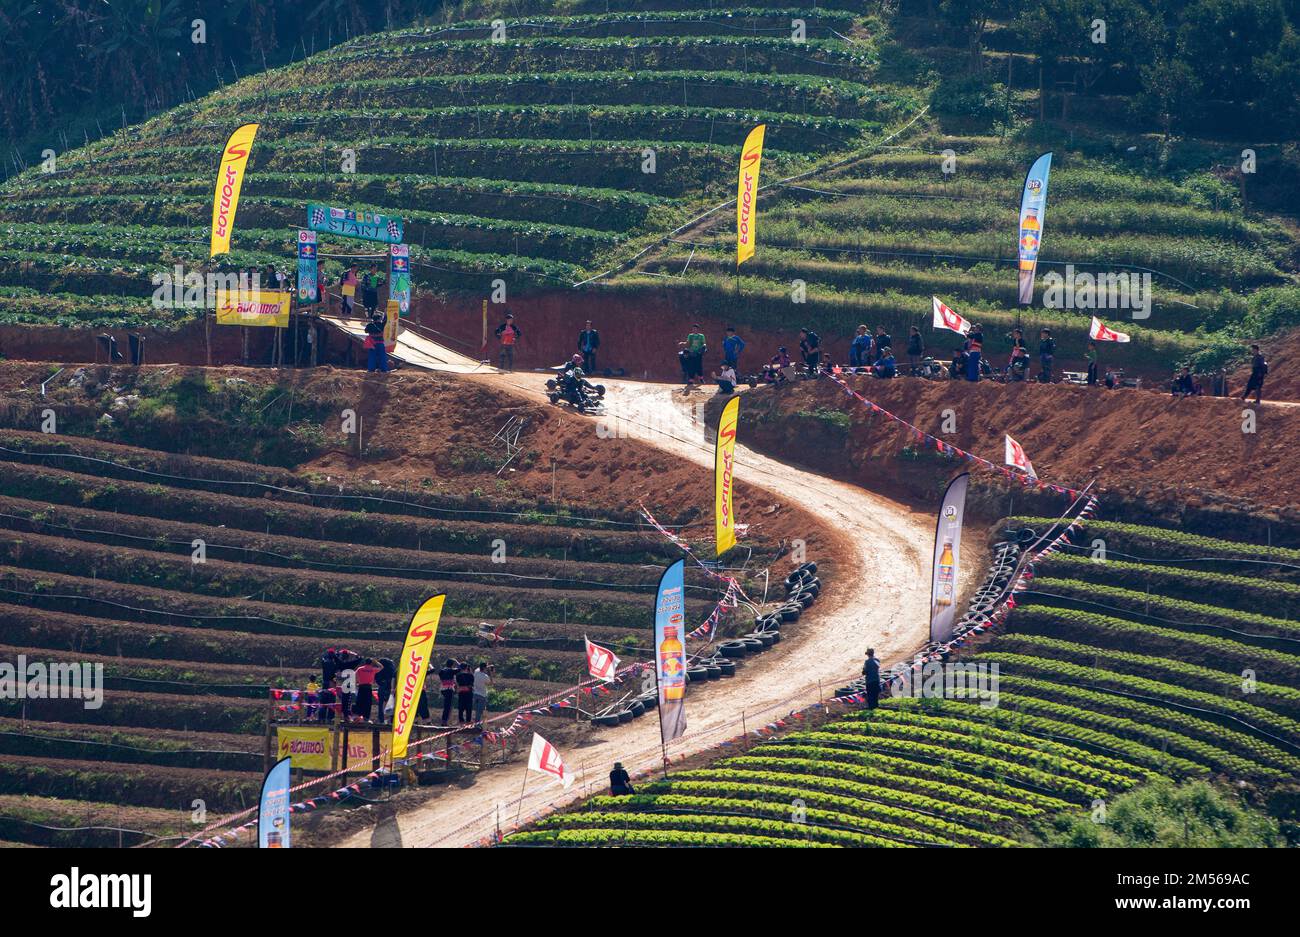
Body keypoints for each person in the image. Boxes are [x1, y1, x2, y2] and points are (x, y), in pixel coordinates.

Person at [438, 658, 458, 727]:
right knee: (447, 706)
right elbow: (461, 668)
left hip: (443, 689)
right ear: (452, 665)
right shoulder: (452, 671)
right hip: (449, 689)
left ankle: (445, 720)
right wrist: (456, 661)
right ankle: (444, 721)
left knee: (447, 705)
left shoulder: (441, 671)